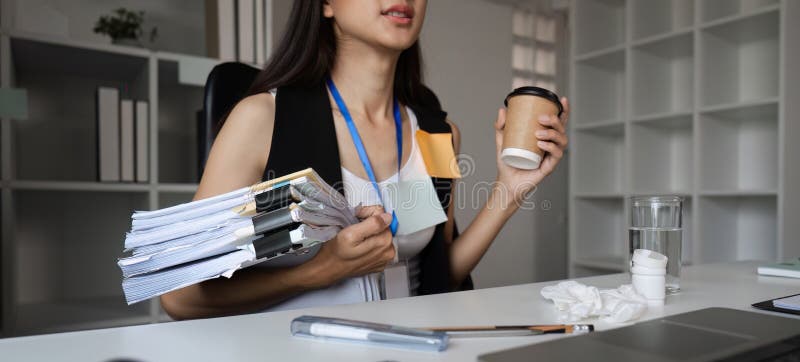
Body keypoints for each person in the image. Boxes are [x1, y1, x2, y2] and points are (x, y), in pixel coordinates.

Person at [160, 0, 569, 320]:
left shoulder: (436, 135)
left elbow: (441, 274)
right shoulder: (261, 120)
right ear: (326, 5)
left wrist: (509, 191)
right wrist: (320, 270)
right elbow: (180, 297)